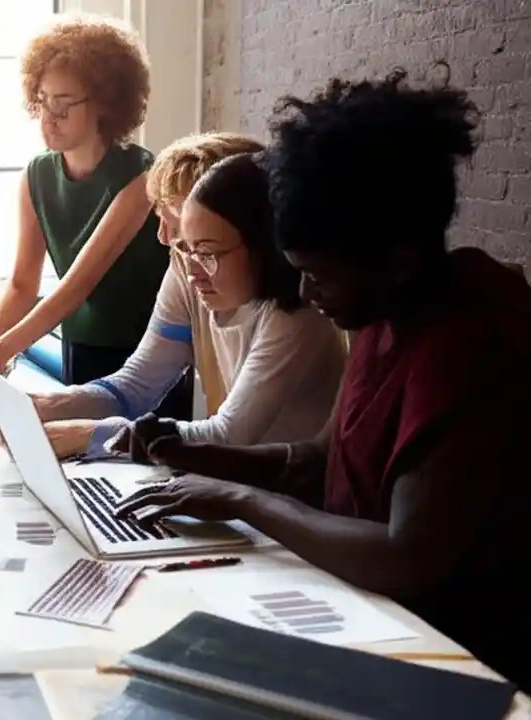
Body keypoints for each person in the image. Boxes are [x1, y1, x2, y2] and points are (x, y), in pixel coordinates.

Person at [117, 72, 531, 690]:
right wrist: (199, 458)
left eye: (321, 276)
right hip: (375, 615)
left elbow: (404, 556)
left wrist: (244, 499)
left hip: (456, 660)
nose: (307, 293)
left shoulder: (471, 345)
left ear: (398, 262)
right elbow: (322, 460)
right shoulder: (387, 313)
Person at [3, 143, 346, 460]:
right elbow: (137, 385)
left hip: (283, 493)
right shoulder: (187, 266)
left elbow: (229, 436)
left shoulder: (295, 310)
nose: (165, 238)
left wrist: (86, 434)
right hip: (235, 482)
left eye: (173, 219)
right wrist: (48, 404)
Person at [0, 18, 187, 419]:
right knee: (82, 461)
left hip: (149, 354)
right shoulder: (36, 177)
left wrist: (0, 350)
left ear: (105, 103)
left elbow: (78, 285)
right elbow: (22, 284)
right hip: (79, 344)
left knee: (142, 465)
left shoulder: (140, 176)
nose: (49, 117)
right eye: (42, 101)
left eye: (63, 104)